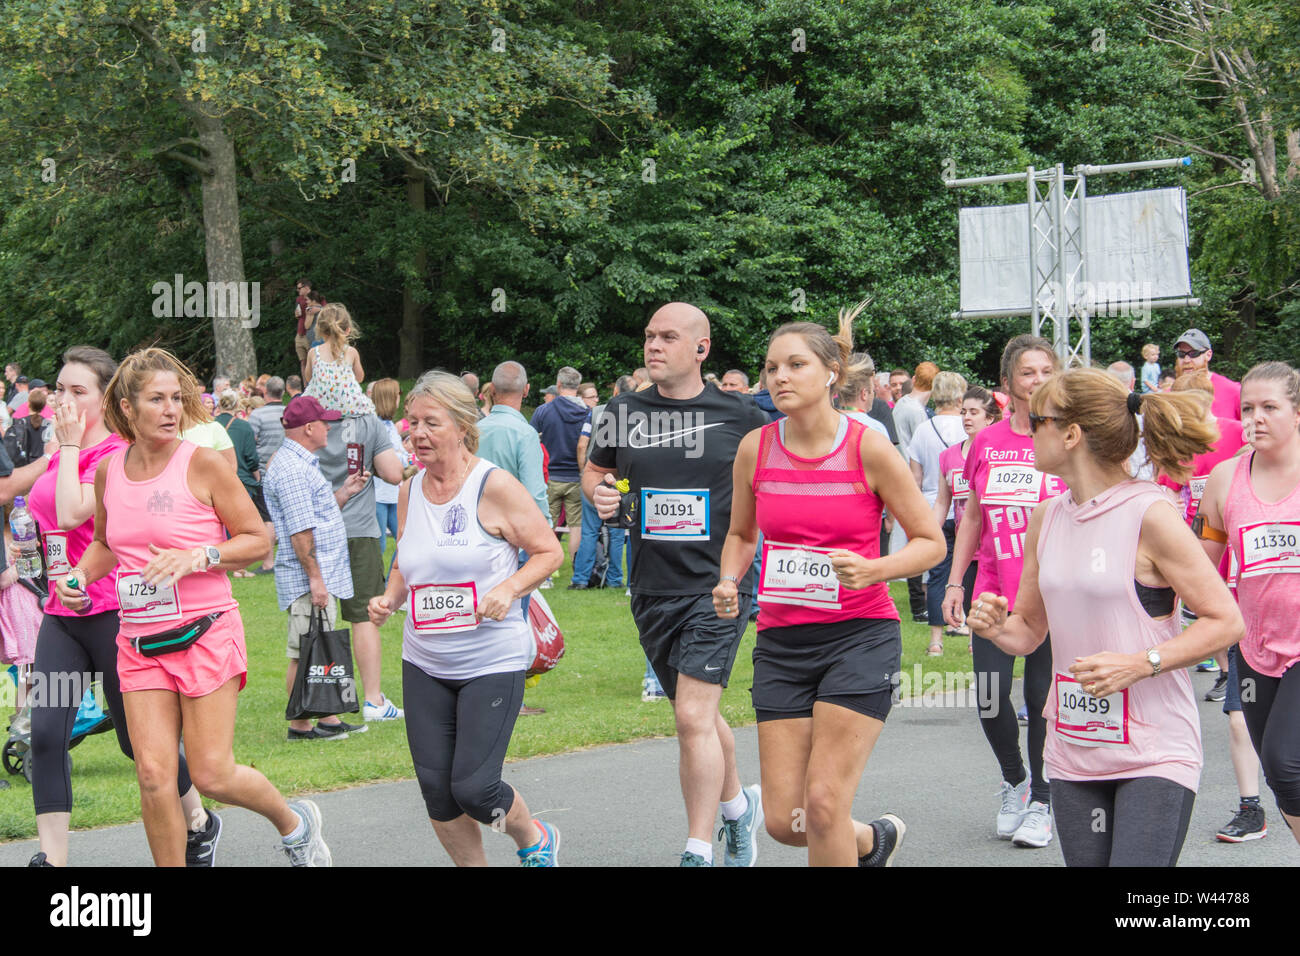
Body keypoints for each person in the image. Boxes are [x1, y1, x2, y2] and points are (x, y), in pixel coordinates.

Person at [53, 348, 331, 866]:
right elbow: (107, 545)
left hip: (204, 633)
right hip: (139, 642)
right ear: (128, 408)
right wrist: (77, 575)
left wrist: (199, 555)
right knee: (155, 776)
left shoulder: (202, 463)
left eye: (176, 399)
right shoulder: (109, 471)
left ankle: (295, 823)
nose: (170, 410)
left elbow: (256, 540)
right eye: (156, 400)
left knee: (210, 774)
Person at [967, 367, 1243, 866]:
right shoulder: (1046, 516)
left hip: (1154, 749)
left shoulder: (1150, 514)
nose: (1026, 429)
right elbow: (1028, 631)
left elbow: (1226, 621)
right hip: (1073, 747)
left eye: (1037, 421)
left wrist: (1142, 663)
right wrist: (995, 625)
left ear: (1070, 434)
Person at [712, 307, 945, 866]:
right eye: (772, 367)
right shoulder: (757, 448)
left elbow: (930, 541)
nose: (780, 377)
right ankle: (870, 841)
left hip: (859, 636)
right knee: (784, 820)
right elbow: (742, 535)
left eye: (796, 364)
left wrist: (875, 570)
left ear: (831, 374)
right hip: (783, 645)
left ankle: (847, 835)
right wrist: (728, 578)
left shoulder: (867, 447)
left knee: (822, 806)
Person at [586, 302, 770, 867]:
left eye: (668, 336)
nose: (654, 345)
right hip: (650, 585)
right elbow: (597, 470)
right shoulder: (621, 410)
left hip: (720, 586)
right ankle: (740, 809)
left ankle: (697, 848)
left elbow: (782, 479)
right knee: (702, 716)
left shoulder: (742, 415)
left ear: (701, 348)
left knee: (691, 716)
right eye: (648, 336)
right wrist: (601, 493)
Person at [25, 347, 217, 867]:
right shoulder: (57, 450)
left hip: (116, 612)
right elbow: (33, 501)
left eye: (77, 391)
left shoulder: (112, 453)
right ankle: (53, 861)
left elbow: (69, 512)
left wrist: (66, 449)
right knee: (44, 734)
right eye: (59, 389)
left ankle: (198, 820)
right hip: (63, 614)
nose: (63, 400)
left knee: (138, 746)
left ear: (107, 399)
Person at [367, 372, 564, 866]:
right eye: (412, 423)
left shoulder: (493, 486)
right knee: (438, 791)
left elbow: (547, 551)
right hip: (425, 661)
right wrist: (390, 598)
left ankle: (533, 839)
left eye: (431, 423)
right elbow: (406, 558)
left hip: (490, 659)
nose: (417, 433)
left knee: (475, 789)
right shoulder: (411, 491)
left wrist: (508, 588)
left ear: (462, 425)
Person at [942, 334, 1066, 848]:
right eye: (1026, 373)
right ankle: (1014, 780)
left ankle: (1042, 799)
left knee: (1041, 699)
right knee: (991, 698)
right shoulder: (987, 443)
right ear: (1006, 385)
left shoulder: (1066, 436)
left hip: (1053, 594)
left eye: (1044, 371)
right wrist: (954, 581)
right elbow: (972, 515)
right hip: (994, 591)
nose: (1036, 381)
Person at [1195, 361, 1300, 848]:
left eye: (1270, 408)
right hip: (1254, 649)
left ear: (1297, 413)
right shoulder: (1223, 479)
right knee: (1280, 778)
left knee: (1284, 762)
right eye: (1248, 409)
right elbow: (1200, 565)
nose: (1256, 418)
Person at [263, 396, 370, 741]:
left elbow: (316, 516)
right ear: (309, 428)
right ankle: (301, 724)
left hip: (317, 574)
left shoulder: (301, 463)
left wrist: (343, 494)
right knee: (304, 650)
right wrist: (316, 579)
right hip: (309, 577)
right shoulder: (294, 470)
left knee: (318, 647)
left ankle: (328, 719)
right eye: (325, 422)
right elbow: (300, 531)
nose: (329, 427)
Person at [315, 394, 405, 722]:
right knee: (363, 616)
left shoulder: (306, 417)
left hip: (315, 528)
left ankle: (318, 696)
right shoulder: (367, 421)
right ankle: (372, 699)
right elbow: (393, 473)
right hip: (358, 527)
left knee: (315, 618)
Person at [931, 387, 1001, 650]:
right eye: (963, 412)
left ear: (990, 418)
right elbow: (942, 502)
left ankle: (983, 647)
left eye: (974, 412)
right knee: (967, 602)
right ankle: (964, 645)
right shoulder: (948, 457)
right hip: (966, 547)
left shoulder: (998, 454)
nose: (967, 418)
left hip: (994, 547)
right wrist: (928, 532)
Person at [907, 371, 968, 656]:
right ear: (960, 396)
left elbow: (914, 478)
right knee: (970, 570)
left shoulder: (923, 429)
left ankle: (935, 640)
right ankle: (965, 627)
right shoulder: (971, 426)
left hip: (934, 508)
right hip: (967, 507)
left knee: (938, 574)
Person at [531, 367, 589, 580]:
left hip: (550, 477)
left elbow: (532, 441)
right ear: (578, 386)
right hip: (576, 476)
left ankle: (544, 576)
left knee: (547, 526)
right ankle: (577, 573)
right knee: (576, 527)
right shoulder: (587, 412)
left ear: (559, 384)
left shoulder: (544, 411)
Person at [215, 391, 265, 577]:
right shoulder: (244, 427)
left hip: (215, 481)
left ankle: (221, 561)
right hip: (241, 478)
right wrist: (256, 476)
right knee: (240, 527)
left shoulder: (210, 425)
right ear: (237, 405)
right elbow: (252, 457)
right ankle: (238, 566)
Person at [303, 303, 374, 416]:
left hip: (320, 409)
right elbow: (360, 378)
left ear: (320, 330)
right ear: (347, 330)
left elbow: (308, 378)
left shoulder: (313, 352)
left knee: (303, 404)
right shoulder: (351, 352)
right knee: (371, 411)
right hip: (348, 408)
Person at [248, 376, 287, 573]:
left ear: (265, 392)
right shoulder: (289, 413)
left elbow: (251, 442)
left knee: (267, 518)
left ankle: (268, 562)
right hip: (287, 470)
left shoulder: (257, 415)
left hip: (264, 473)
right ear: (284, 391)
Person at [373, 379, 408, 551]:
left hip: (393, 493)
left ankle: (392, 578)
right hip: (378, 494)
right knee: (380, 546)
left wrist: (401, 455)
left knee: (406, 541)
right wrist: (402, 456)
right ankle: (381, 579)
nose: (398, 400)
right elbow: (390, 457)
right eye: (396, 396)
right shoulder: (376, 426)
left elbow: (400, 455)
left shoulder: (391, 426)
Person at [1174, 329, 1240, 421]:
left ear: (1208, 355)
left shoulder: (1234, 391)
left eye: (1194, 353)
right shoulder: (1169, 394)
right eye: (1181, 354)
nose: (1186, 360)